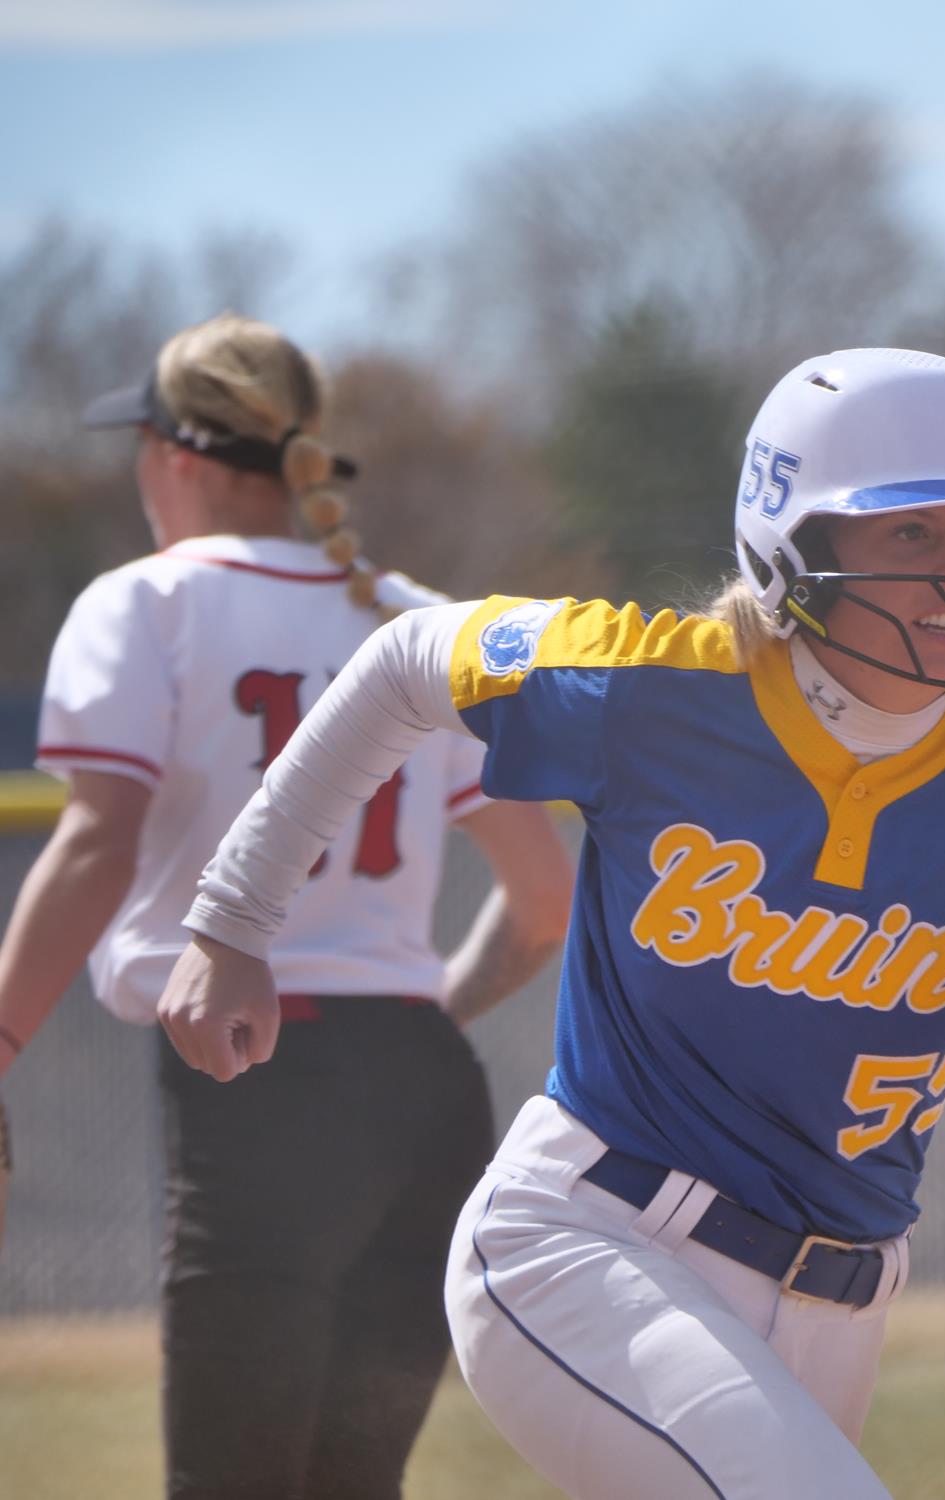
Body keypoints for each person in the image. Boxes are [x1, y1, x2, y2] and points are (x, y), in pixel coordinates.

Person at [159, 347, 945, 1498]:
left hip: (840, 1306)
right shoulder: (657, 689)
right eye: (910, 534)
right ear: (796, 549)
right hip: (588, 1241)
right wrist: (233, 919)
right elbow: (405, 661)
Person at [0, 313, 574, 1500]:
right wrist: (420, 1022)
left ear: (180, 457)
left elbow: (99, 844)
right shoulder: (412, 614)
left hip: (253, 1080)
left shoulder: (148, 602)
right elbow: (544, 899)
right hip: (420, 1090)